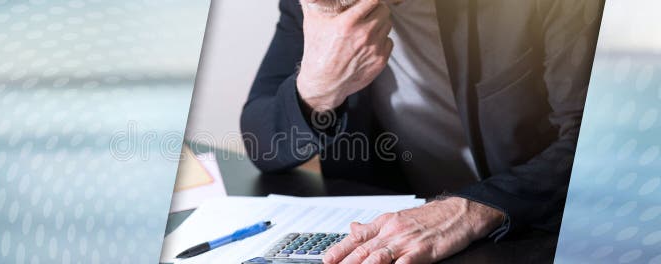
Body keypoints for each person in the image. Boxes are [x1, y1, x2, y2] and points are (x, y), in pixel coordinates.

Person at [239, 0, 604, 263]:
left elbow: (598, 147)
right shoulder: (317, 5)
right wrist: (318, 88)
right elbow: (262, 146)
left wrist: (471, 210)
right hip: (400, 237)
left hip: (529, 226)